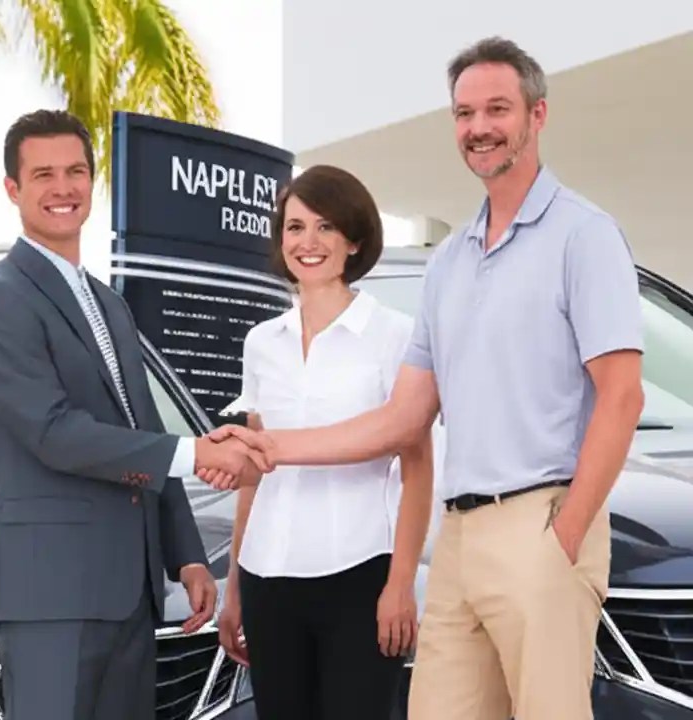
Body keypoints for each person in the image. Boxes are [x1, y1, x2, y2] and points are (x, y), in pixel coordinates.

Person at [206, 36, 644, 720]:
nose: (479, 128)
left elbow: (622, 395)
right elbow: (402, 421)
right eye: (464, 113)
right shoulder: (448, 264)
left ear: (538, 115)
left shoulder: (582, 236)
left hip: (542, 521)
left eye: (497, 109)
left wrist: (569, 529)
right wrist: (270, 447)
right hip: (458, 539)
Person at [0, 109, 267, 720]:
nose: (63, 188)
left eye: (76, 171)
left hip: (129, 591)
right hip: (51, 592)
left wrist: (183, 554)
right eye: (43, 174)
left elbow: (142, 424)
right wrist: (200, 454)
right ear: (13, 190)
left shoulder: (106, 302)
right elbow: (54, 434)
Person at [213, 165, 434, 720]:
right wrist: (235, 588)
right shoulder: (262, 343)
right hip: (268, 578)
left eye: (325, 227)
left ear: (354, 240)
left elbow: (419, 471)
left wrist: (400, 585)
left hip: (359, 579)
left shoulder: (394, 336)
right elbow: (255, 474)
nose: (307, 243)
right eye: (294, 227)